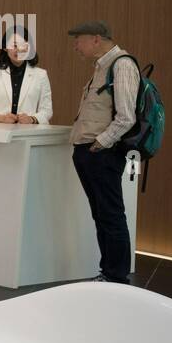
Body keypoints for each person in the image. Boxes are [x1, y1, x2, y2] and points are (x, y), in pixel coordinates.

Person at [68, 20, 139, 284]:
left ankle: (117, 277)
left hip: (103, 153)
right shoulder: (101, 68)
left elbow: (126, 116)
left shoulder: (122, 65)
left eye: (79, 39)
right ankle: (107, 272)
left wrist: (100, 142)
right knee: (101, 214)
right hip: (89, 151)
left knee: (111, 214)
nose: (76, 46)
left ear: (96, 39)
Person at [0, 24, 53, 124]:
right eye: (14, 45)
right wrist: (2, 119)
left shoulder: (41, 75)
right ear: (5, 47)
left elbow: (47, 111)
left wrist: (31, 119)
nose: (19, 49)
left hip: (28, 133)